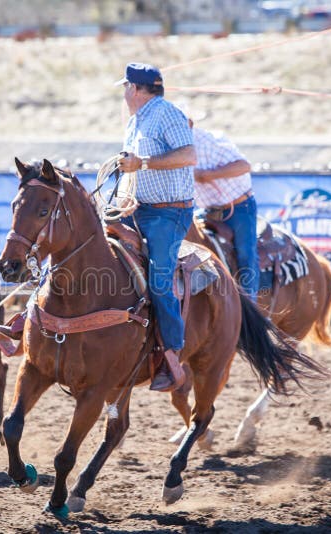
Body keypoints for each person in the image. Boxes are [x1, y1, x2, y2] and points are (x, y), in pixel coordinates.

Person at [116, 62, 195, 392]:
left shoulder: (166, 114)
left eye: (125, 87)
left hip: (168, 214)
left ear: (134, 89)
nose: (123, 93)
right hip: (139, 208)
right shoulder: (136, 121)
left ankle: (171, 355)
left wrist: (143, 163)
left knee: (160, 280)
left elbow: (189, 154)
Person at [187, 115, 259, 301]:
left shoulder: (208, 143)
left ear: (189, 125)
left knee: (245, 253)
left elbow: (244, 166)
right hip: (209, 209)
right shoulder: (172, 150)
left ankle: (250, 304)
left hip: (238, 207)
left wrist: (208, 175)